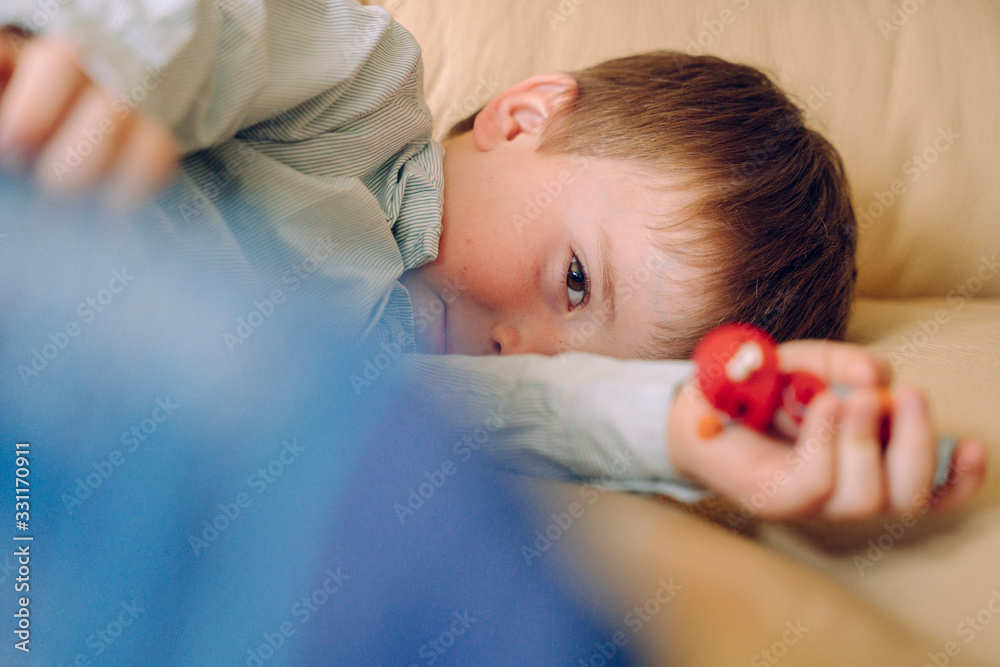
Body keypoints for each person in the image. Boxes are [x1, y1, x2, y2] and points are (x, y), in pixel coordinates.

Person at [0, 0, 985, 518]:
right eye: (574, 282)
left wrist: (677, 425)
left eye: (574, 355)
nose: (517, 347)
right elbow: (218, 25)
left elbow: (523, 416)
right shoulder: (359, 98)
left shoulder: (403, 391)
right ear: (522, 117)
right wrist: (76, 61)